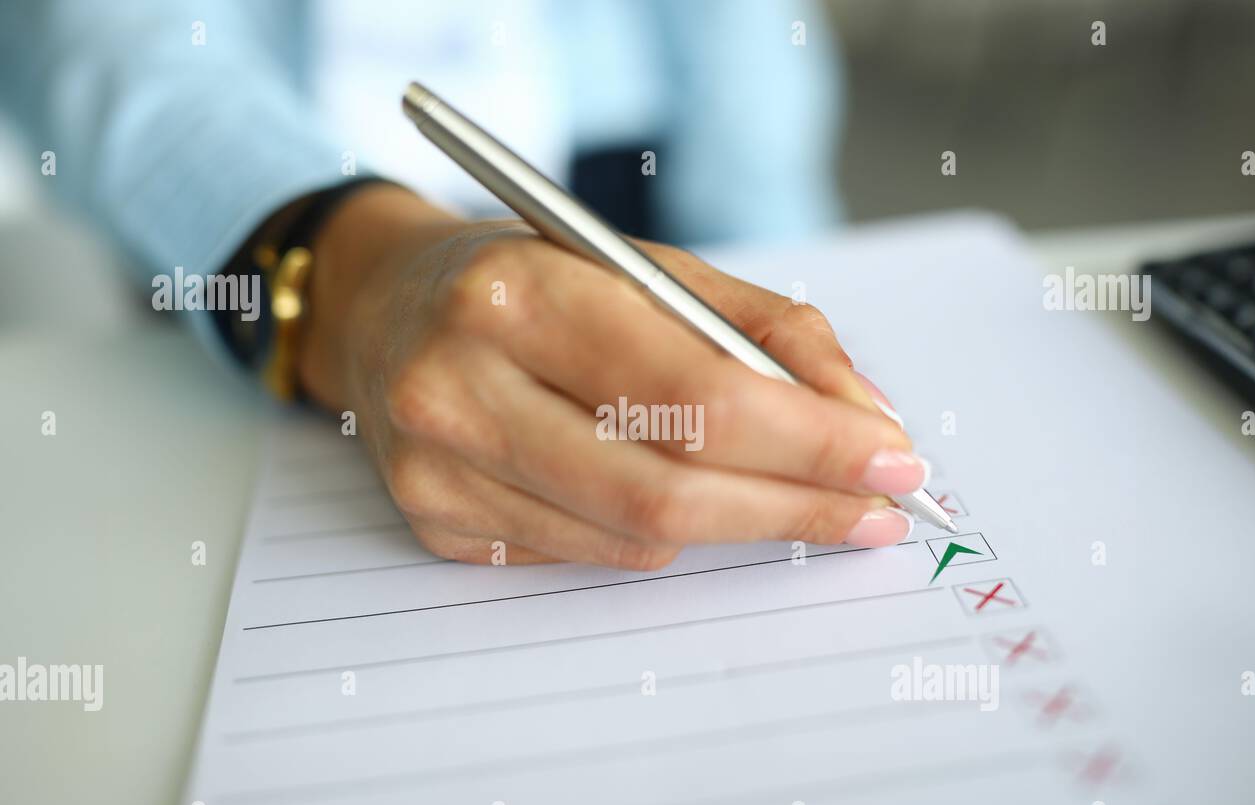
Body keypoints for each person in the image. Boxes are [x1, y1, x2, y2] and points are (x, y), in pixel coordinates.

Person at [0, 0, 929, 568]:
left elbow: (739, 41)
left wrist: (777, 260)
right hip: (245, 220)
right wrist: (346, 275)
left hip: (619, 164)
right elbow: (99, 28)